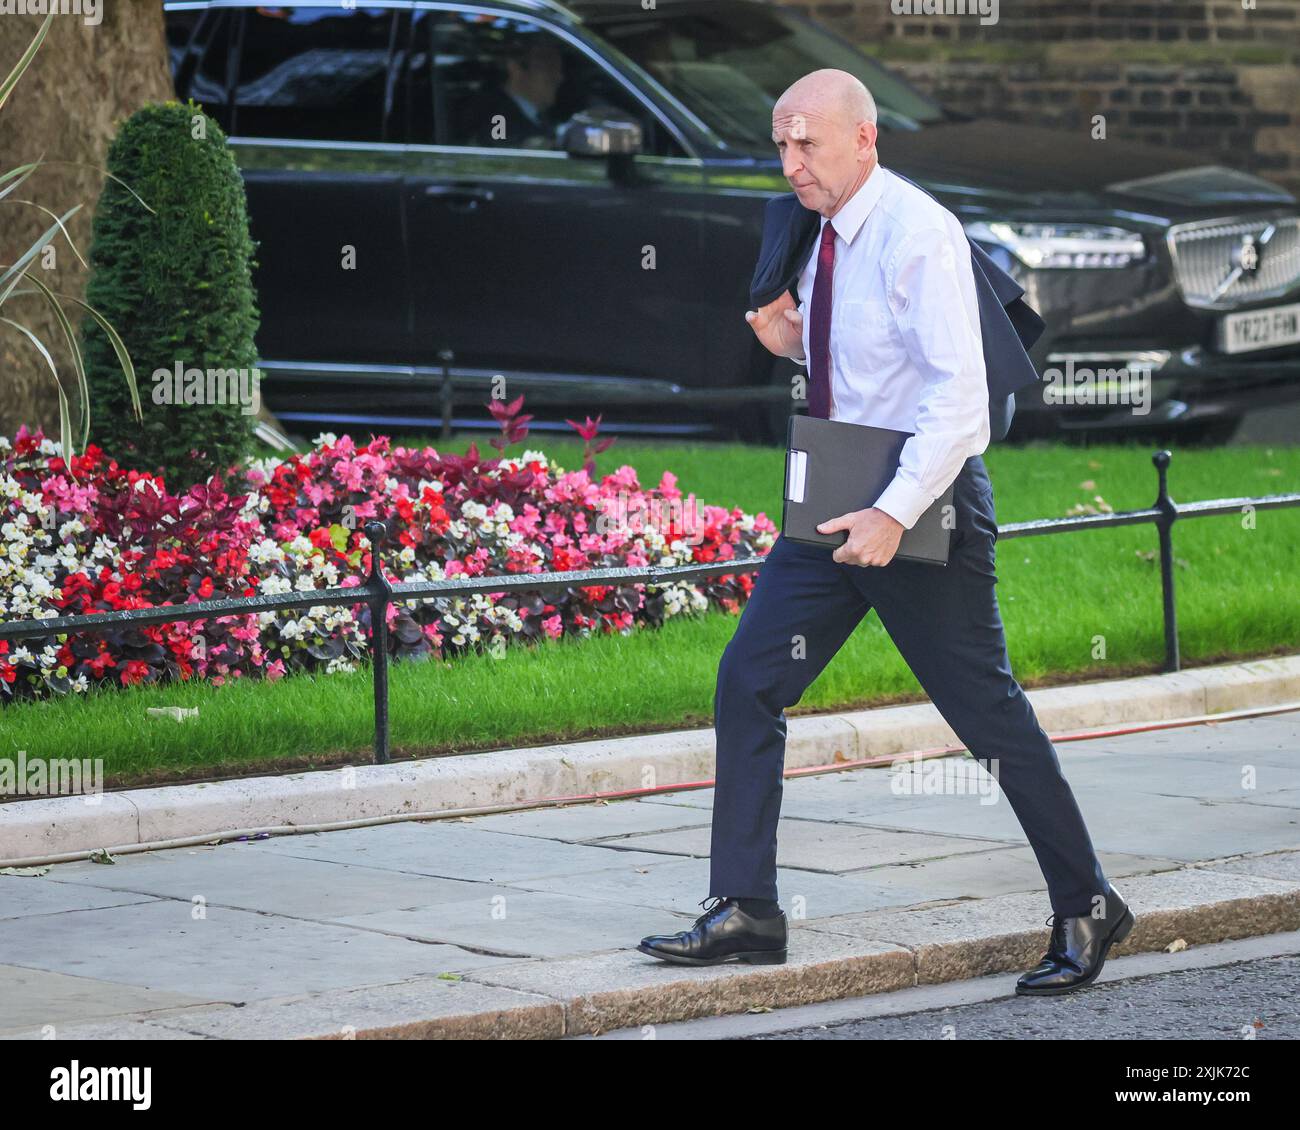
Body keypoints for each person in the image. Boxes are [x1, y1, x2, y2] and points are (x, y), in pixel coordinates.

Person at [636, 69, 1135, 997]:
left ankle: (1087, 902)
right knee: (748, 682)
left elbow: (961, 403)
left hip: (921, 505)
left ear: (865, 140)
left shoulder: (918, 237)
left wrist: (892, 512)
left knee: (985, 713)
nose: (790, 164)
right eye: (780, 144)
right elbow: (857, 362)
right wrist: (787, 340)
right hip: (833, 491)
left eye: (808, 145)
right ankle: (747, 910)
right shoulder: (815, 228)